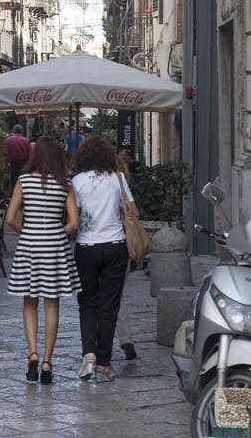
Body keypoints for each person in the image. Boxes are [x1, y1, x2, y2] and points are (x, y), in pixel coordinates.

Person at [6, 136, 80, 384]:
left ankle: (33, 355)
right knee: (52, 305)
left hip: (29, 245)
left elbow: (10, 218)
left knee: (29, 302)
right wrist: (60, 232)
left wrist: (23, 230)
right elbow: (74, 223)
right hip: (55, 248)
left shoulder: (23, 181)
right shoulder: (65, 183)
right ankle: (48, 362)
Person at [72, 136, 135, 381]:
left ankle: (88, 355)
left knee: (87, 302)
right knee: (109, 306)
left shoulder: (76, 181)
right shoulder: (117, 179)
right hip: (115, 246)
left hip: (86, 247)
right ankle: (104, 363)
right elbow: (133, 211)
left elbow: (72, 215)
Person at [115, 149, 139, 361]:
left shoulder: (86, 181)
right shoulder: (120, 181)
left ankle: (95, 344)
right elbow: (135, 213)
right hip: (122, 245)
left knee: (96, 297)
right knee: (117, 295)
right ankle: (126, 339)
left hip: (94, 245)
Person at [3, 124, 32, 191]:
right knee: (23, 180)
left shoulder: (9, 140)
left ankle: (13, 195)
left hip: (13, 163)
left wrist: (6, 164)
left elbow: (6, 153)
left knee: (13, 181)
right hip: (23, 163)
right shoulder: (26, 140)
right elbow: (29, 154)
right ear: (22, 131)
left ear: (14, 131)